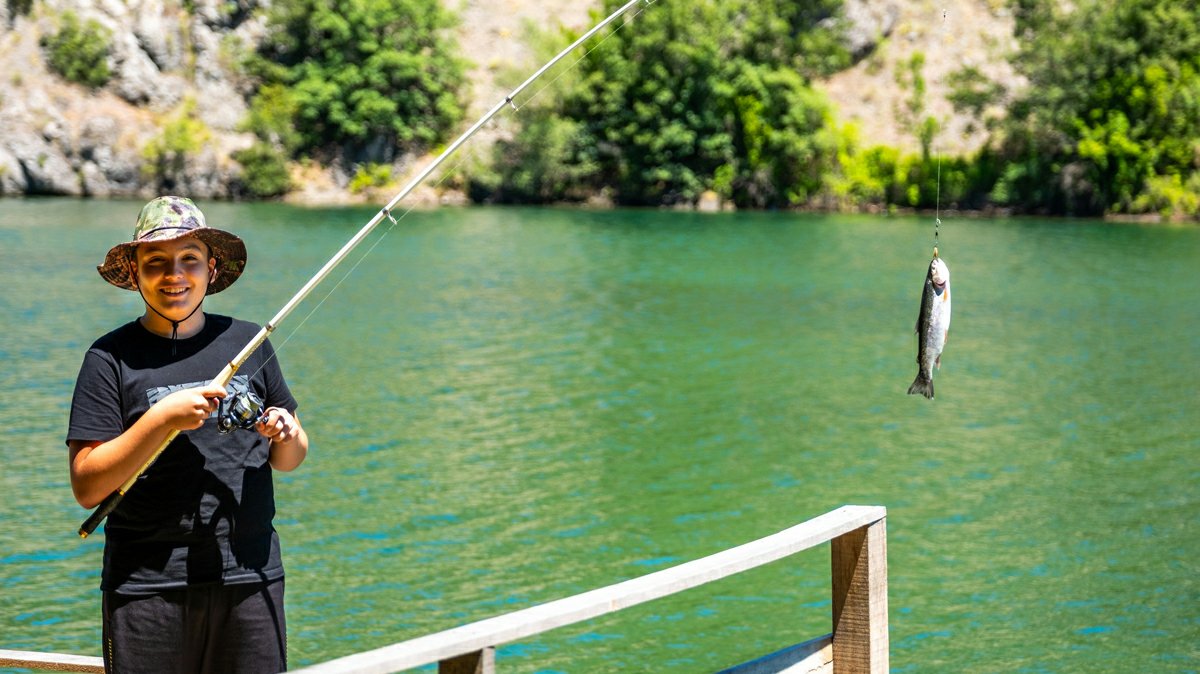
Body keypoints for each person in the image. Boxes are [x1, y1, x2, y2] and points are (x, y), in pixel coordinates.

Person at [66, 196, 309, 673]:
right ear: (135, 273)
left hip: (251, 577)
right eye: (155, 262)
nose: (174, 275)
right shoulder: (108, 359)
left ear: (211, 269)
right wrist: (161, 419)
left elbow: (290, 458)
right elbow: (87, 486)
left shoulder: (250, 342)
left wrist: (286, 433)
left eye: (190, 259)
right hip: (145, 588)